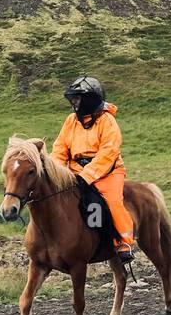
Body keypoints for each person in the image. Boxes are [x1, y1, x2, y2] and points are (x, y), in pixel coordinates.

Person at [53, 76, 135, 262]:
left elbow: (108, 152)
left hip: (108, 173)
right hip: (76, 172)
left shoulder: (107, 121)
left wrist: (87, 175)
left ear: (89, 99)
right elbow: (60, 148)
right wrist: (57, 173)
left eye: (77, 99)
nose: (74, 103)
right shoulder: (70, 120)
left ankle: (124, 242)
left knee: (113, 202)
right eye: (72, 99)